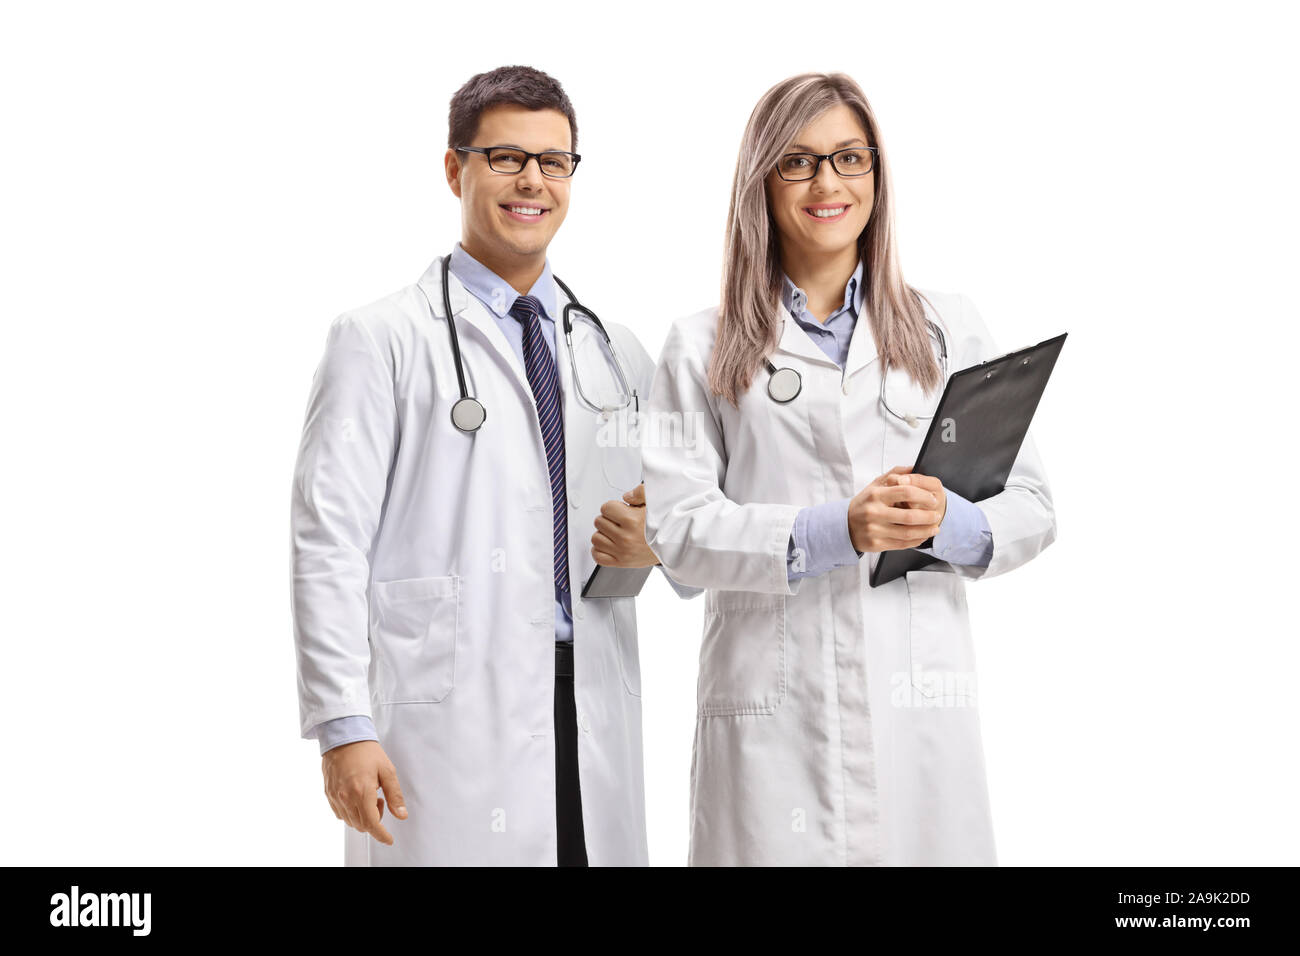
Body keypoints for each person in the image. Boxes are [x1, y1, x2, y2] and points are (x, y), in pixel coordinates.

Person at [640, 72, 1057, 866]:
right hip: (773, 717)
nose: (826, 183)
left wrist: (949, 521)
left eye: (848, 158)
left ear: (877, 174)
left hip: (918, 710)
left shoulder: (947, 327)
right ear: (761, 181)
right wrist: (837, 528)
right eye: (796, 162)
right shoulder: (700, 344)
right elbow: (678, 531)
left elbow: (1033, 503)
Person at [290, 65, 697, 866]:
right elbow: (327, 540)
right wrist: (343, 726)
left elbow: (692, 528)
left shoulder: (615, 351)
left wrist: (659, 537)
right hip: (449, 723)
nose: (533, 182)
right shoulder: (381, 340)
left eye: (554, 162)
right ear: (455, 168)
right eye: (506, 157)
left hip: (588, 706)